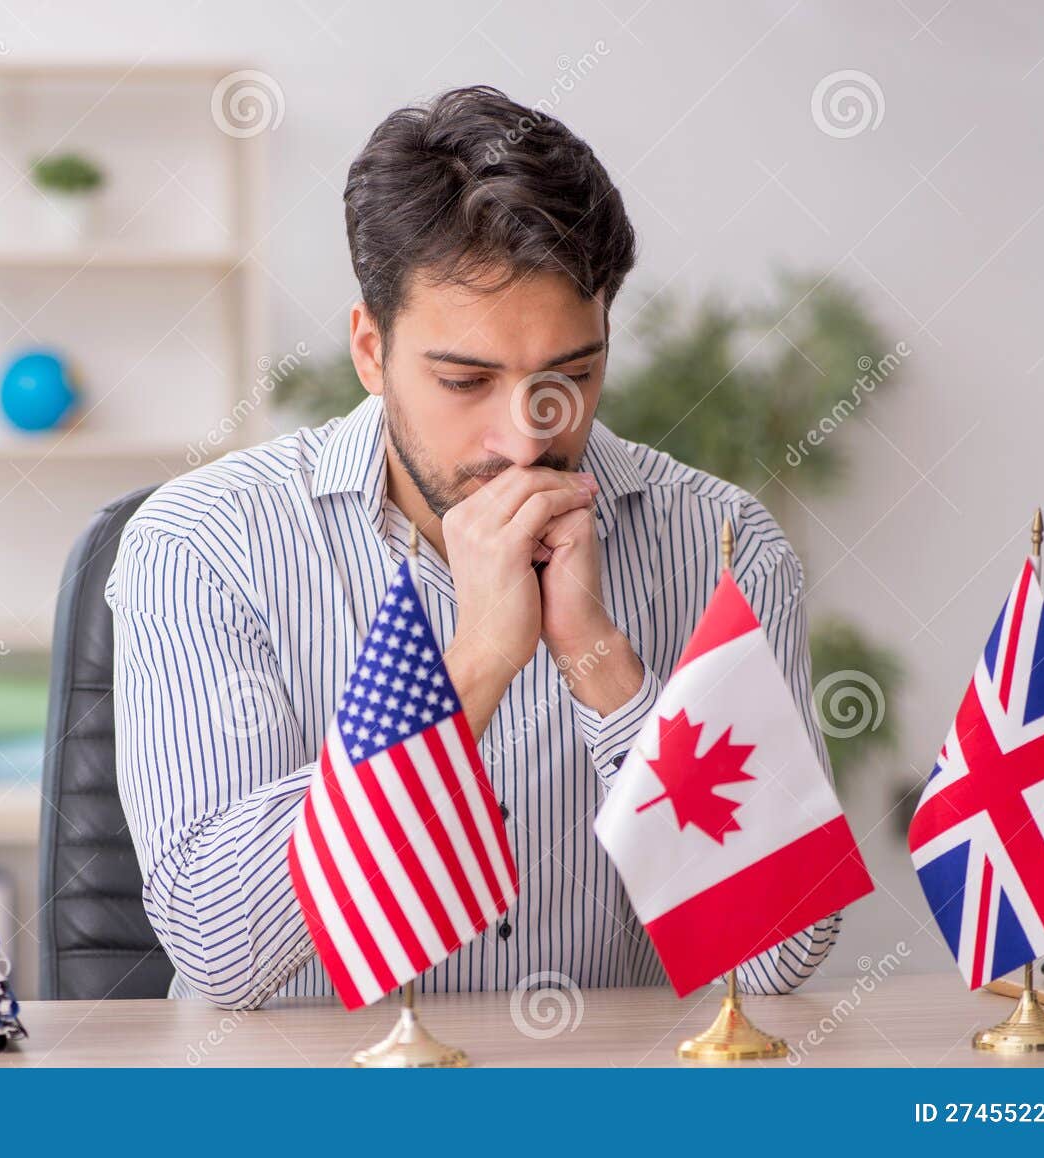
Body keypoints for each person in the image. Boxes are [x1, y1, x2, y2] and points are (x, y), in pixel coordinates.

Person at [106, 85, 840, 1009]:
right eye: (466, 380)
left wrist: (597, 658)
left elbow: (776, 956)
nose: (526, 438)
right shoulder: (204, 545)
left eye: (570, 375)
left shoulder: (726, 546)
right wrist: (476, 663)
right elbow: (223, 956)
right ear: (371, 351)